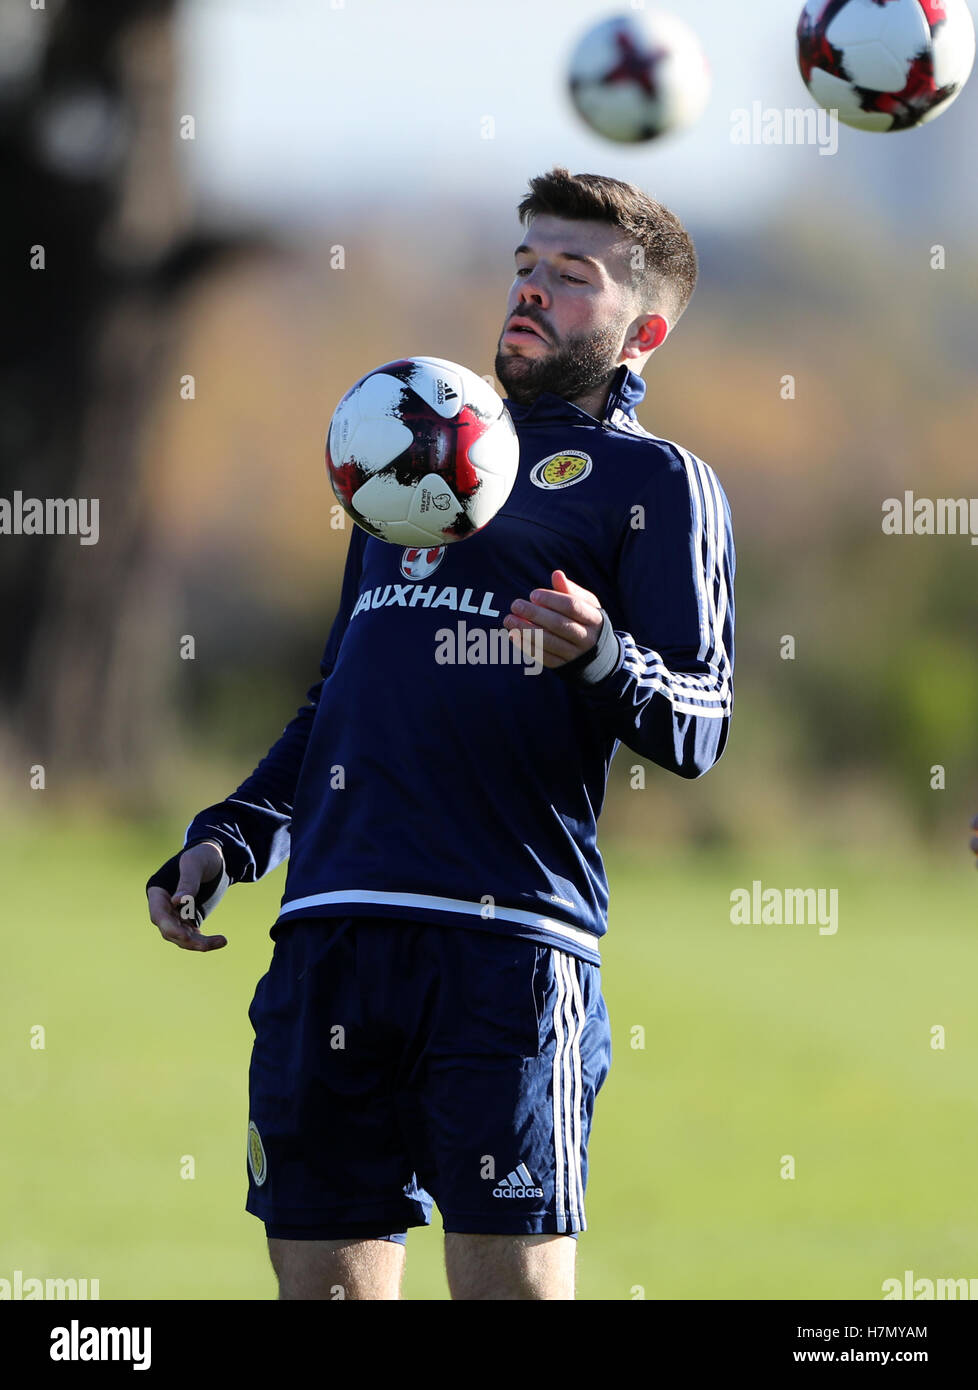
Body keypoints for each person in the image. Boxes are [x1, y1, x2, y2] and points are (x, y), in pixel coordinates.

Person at [146, 167, 736, 1301]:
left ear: (643, 330)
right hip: (330, 936)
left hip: (507, 950)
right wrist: (231, 832)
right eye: (524, 266)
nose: (531, 290)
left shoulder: (654, 483)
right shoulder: (409, 453)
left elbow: (703, 719)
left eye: (573, 276)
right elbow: (339, 700)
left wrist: (602, 654)